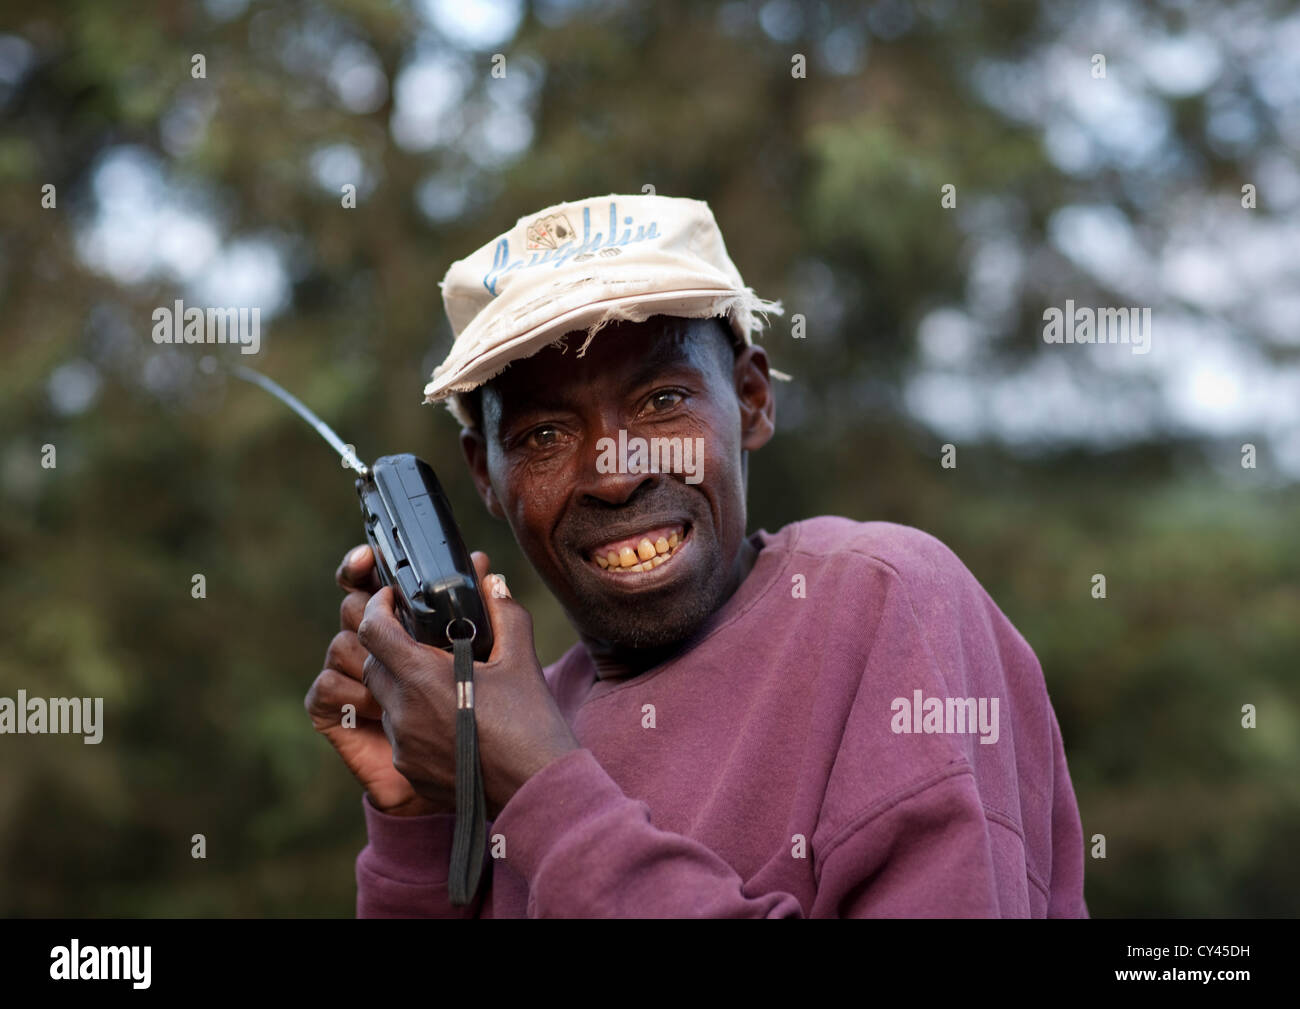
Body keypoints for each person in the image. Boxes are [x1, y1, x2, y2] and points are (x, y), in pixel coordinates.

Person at [304, 193, 1089, 917]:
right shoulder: (525, 716)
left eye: (662, 401)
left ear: (752, 399)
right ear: (485, 474)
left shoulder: (883, 598)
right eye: (543, 435)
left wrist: (540, 788)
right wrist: (428, 819)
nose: (614, 473)